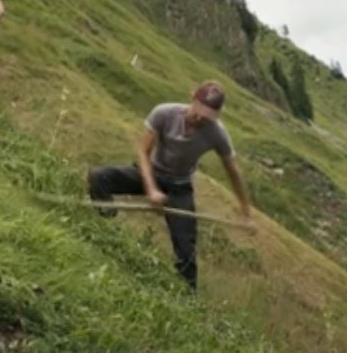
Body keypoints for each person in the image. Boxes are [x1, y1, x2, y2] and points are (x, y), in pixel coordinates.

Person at [87, 81, 251, 289]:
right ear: (192, 97)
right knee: (99, 178)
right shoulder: (164, 113)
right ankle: (103, 228)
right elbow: (142, 152)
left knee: (186, 251)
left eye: (207, 116)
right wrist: (151, 190)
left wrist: (246, 211)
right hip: (150, 172)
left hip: (179, 187)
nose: (200, 118)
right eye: (198, 111)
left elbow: (233, 171)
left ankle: (188, 300)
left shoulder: (216, 133)